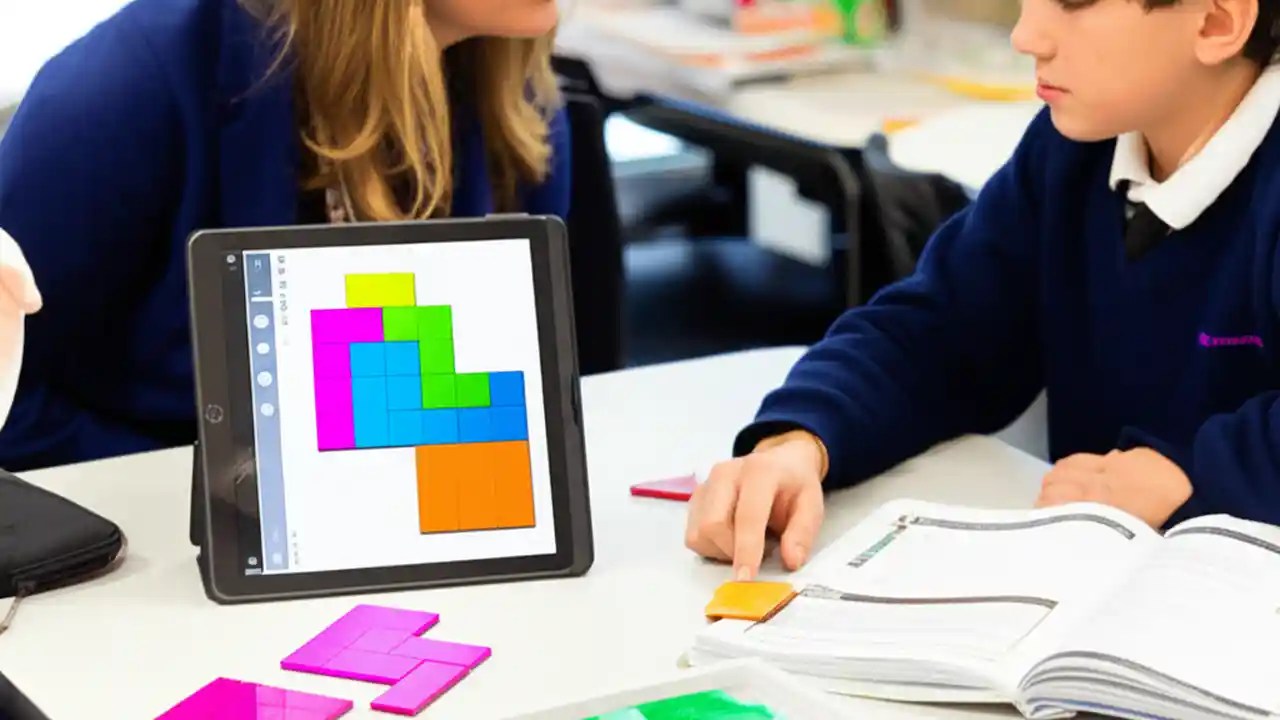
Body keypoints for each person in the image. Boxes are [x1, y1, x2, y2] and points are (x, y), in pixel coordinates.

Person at [687, 0, 1280, 580]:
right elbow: (942, 333)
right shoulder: (1073, 147)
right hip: (1102, 592)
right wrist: (801, 441)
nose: (1027, 35)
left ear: (1216, 21)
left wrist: (1192, 475)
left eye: (1074, 3)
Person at [0, 0, 569, 470]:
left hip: (394, 514)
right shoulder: (123, 87)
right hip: (148, 537)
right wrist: (209, 498)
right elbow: (12, 400)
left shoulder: (519, 101)